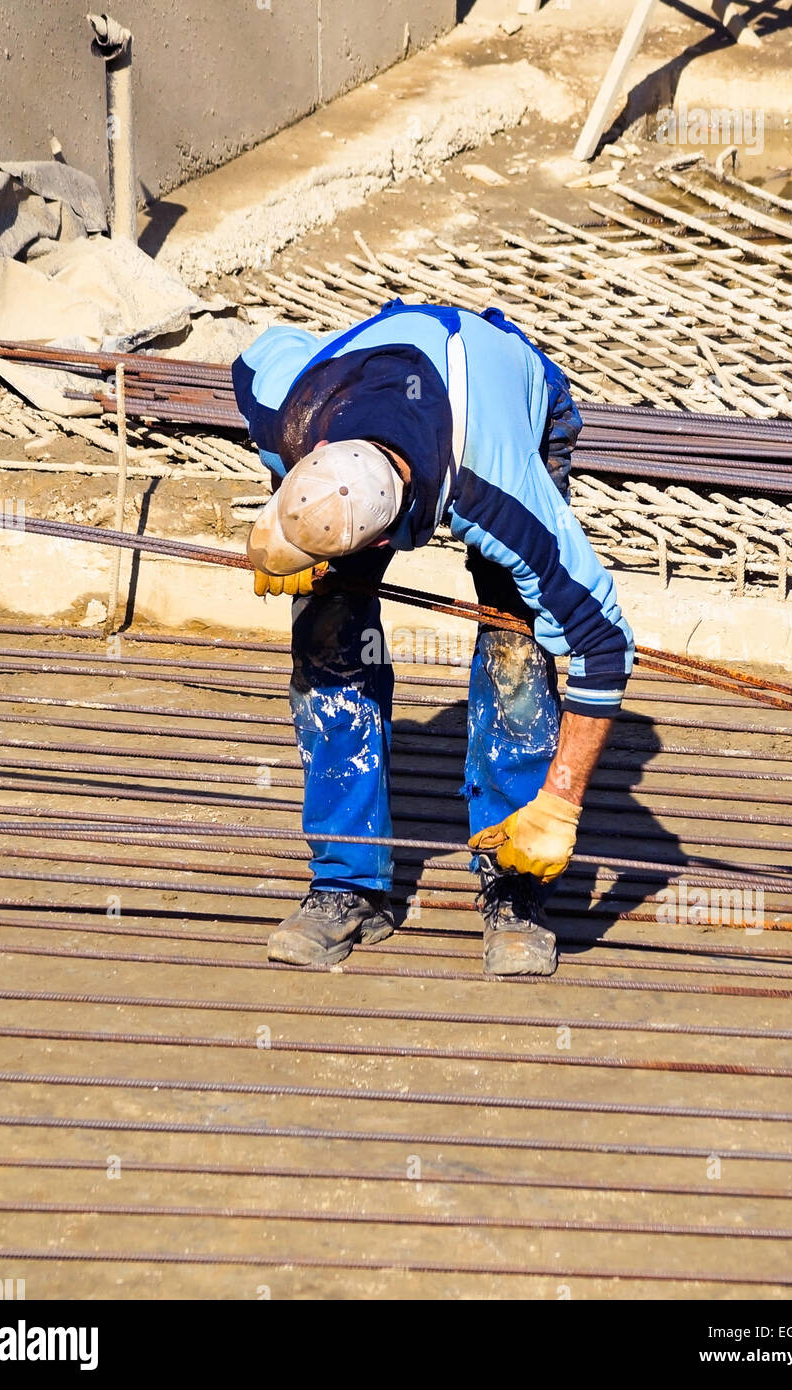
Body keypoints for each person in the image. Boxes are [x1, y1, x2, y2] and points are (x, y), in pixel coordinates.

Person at [232, 300, 634, 977]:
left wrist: (562, 801)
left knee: (517, 651)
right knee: (327, 640)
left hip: (502, 397)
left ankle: (515, 882)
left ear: (392, 539)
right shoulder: (283, 403)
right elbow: (263, 347)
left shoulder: (500, 494)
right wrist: (281, 537)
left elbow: (603, 641)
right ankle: (346, 884)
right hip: (370, 382)